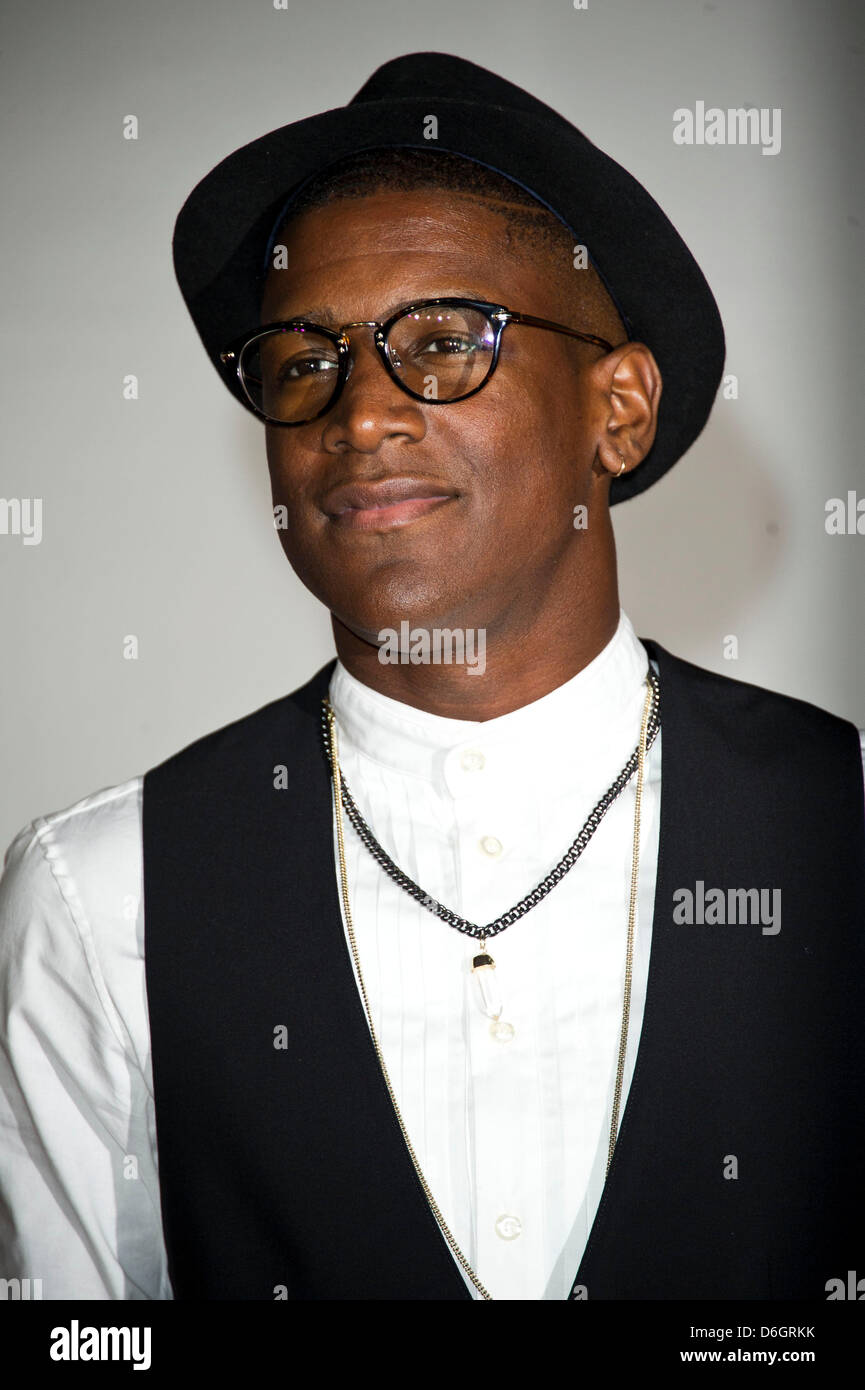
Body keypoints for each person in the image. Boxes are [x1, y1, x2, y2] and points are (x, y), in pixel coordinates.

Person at [1, 52, 863, 1303]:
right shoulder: (98, 900)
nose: (357, 416)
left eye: (445, 341)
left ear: (617, 408)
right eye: (303, 361)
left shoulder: (833, 824)